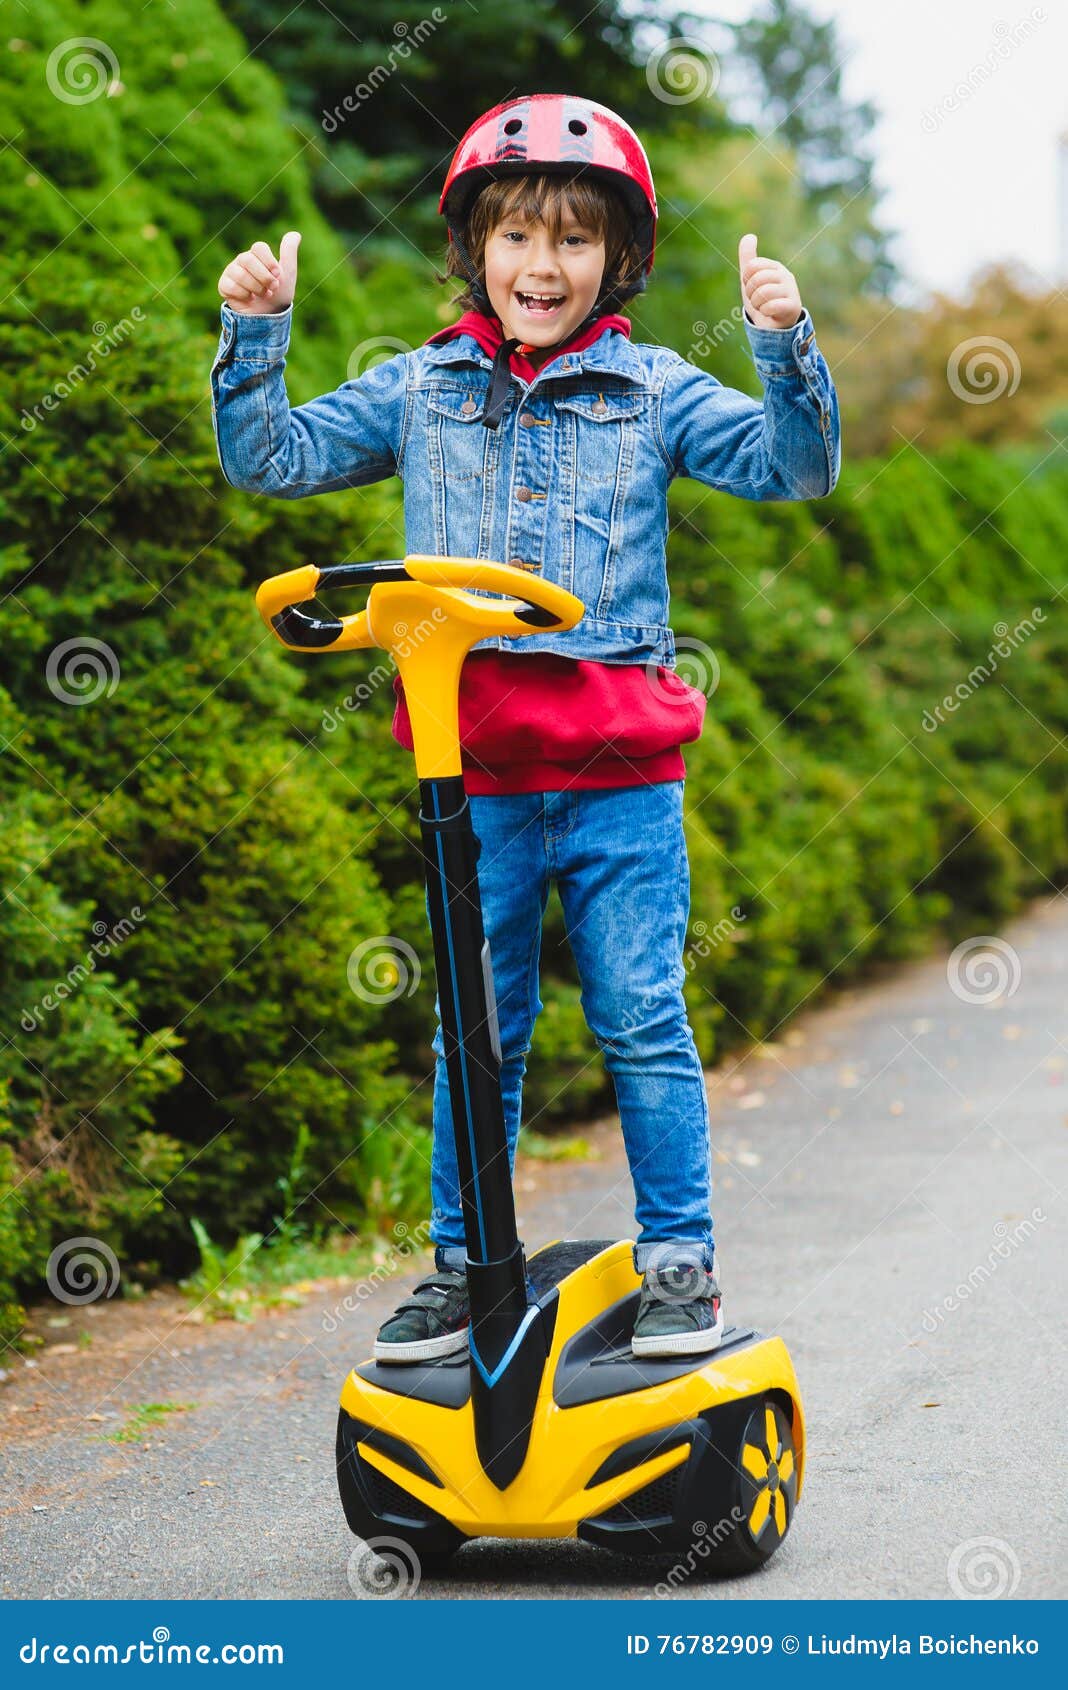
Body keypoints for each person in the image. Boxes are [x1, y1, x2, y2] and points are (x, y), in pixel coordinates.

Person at [211, 93, 841, 1364]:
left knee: (639, 1015)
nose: (540, 267)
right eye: (514, 238)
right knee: (475, 1030)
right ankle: (464, 1265)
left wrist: (782, 345)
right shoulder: (420, 388)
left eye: (571, 241)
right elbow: (269, 459)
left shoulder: (654, 389)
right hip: (475, 770)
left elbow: (793, 468)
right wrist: (254, 332)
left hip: (619, 774)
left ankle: (679, 1265)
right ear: (474, 250)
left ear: (618, 258)